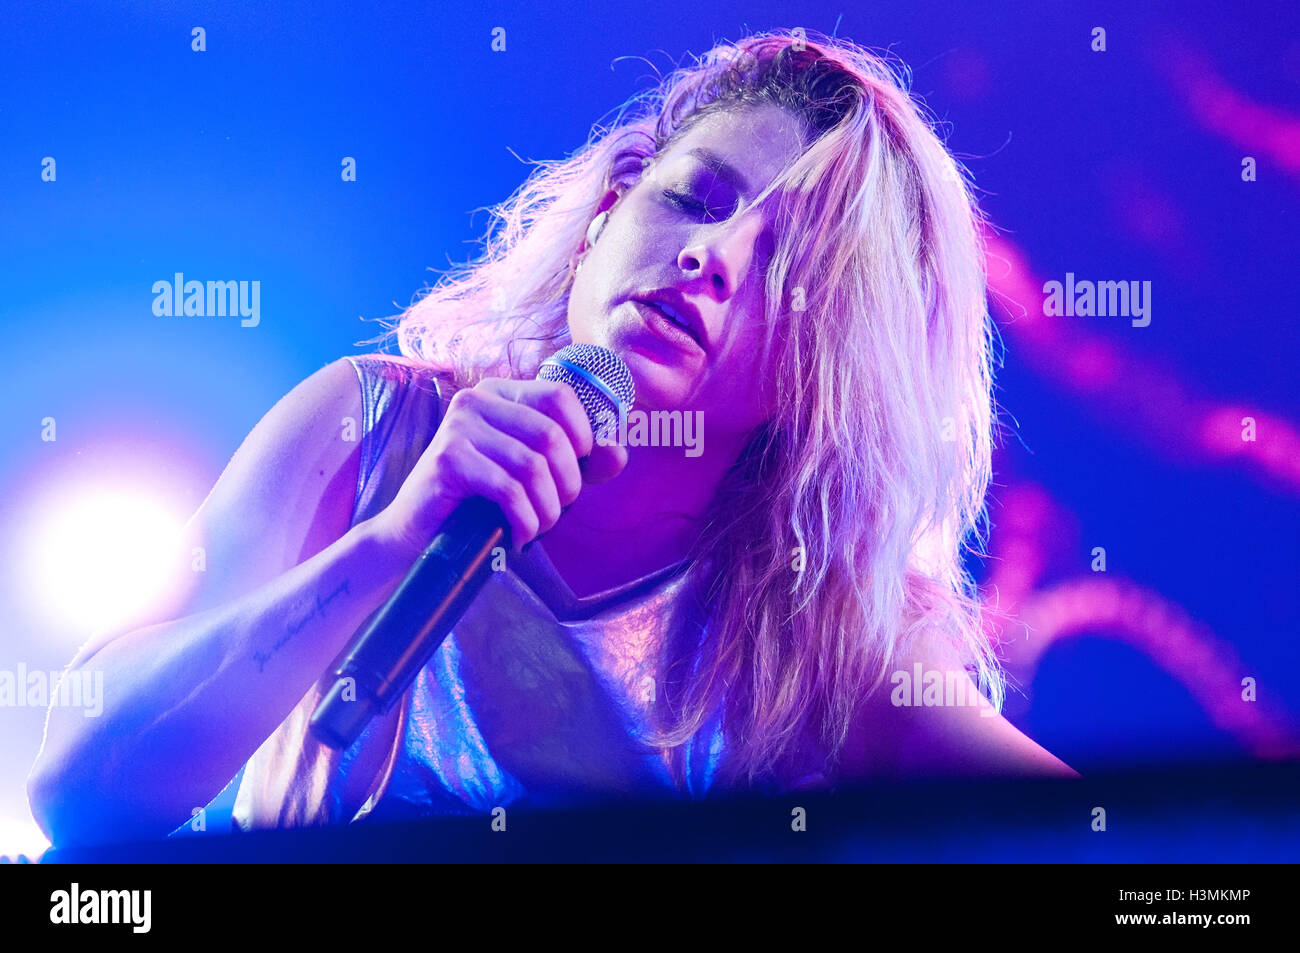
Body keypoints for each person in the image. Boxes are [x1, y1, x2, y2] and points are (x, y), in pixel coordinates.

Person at [28, 30, 1075, 846]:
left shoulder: (827, 614)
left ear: (832, 352)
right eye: (690, 200)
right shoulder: (366, 427)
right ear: (607, 215)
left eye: (779, 260)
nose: (707, 259)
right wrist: (392, 541)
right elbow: (76, 793)